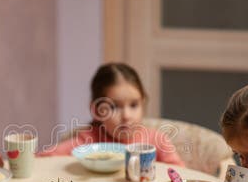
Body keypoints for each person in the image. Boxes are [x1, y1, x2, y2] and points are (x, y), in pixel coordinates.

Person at [40, 63, 183, 165]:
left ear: (143, 103)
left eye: (134, 105)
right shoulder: (90, 141)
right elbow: (43, 159)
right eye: (114, 107)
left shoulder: (156, 140)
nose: (126, 115)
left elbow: (180, 174)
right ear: (97, 110)